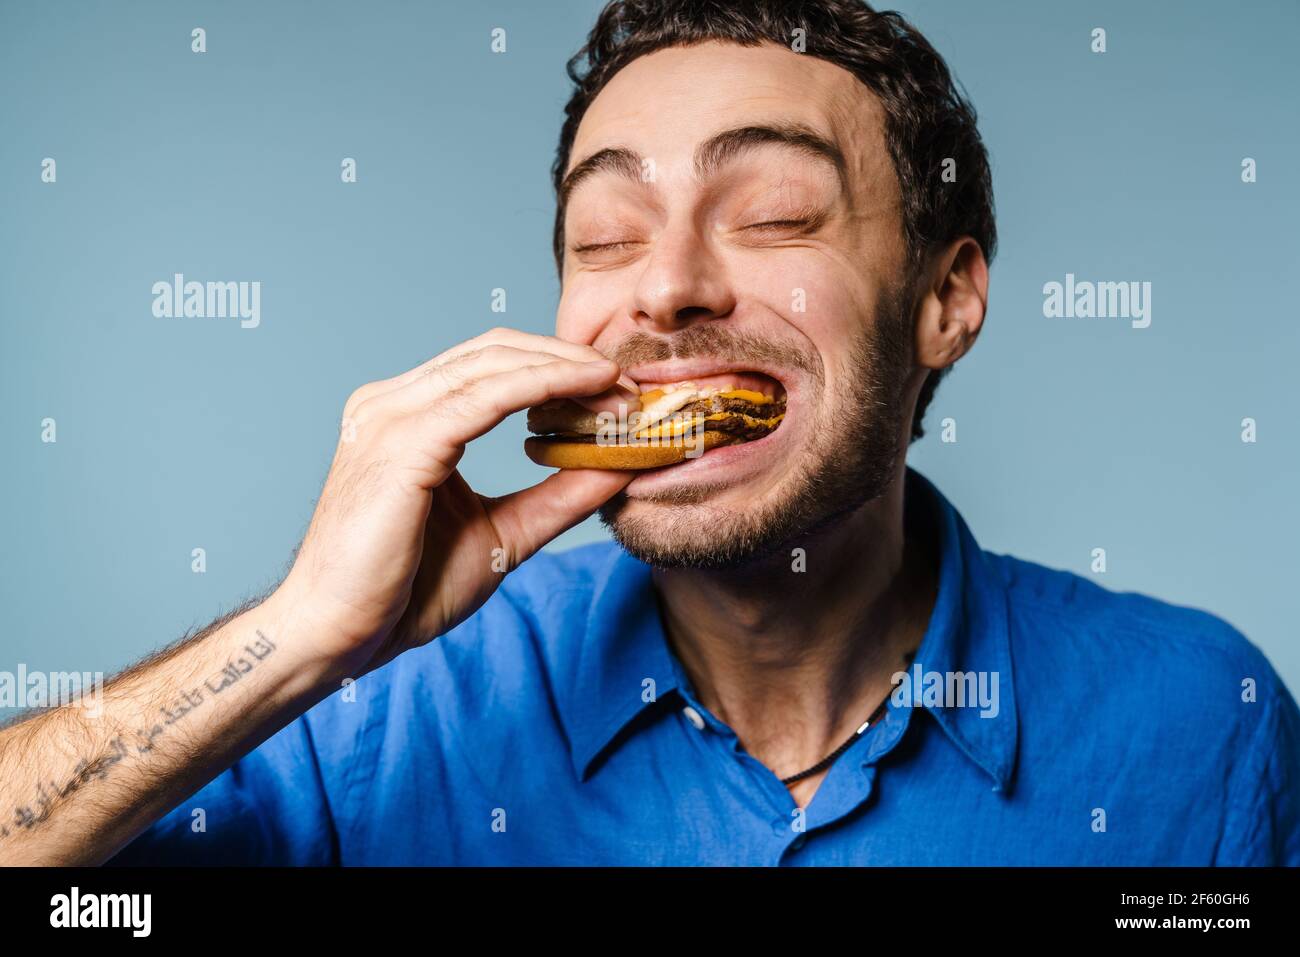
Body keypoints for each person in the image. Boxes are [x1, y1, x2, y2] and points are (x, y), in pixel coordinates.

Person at [2, 0, 1296, 866]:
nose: (665, 286)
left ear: (946, 301)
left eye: (777, 213)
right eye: (604, 238)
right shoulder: (373, 711)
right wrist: (298, 634)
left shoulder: (1197, 725)